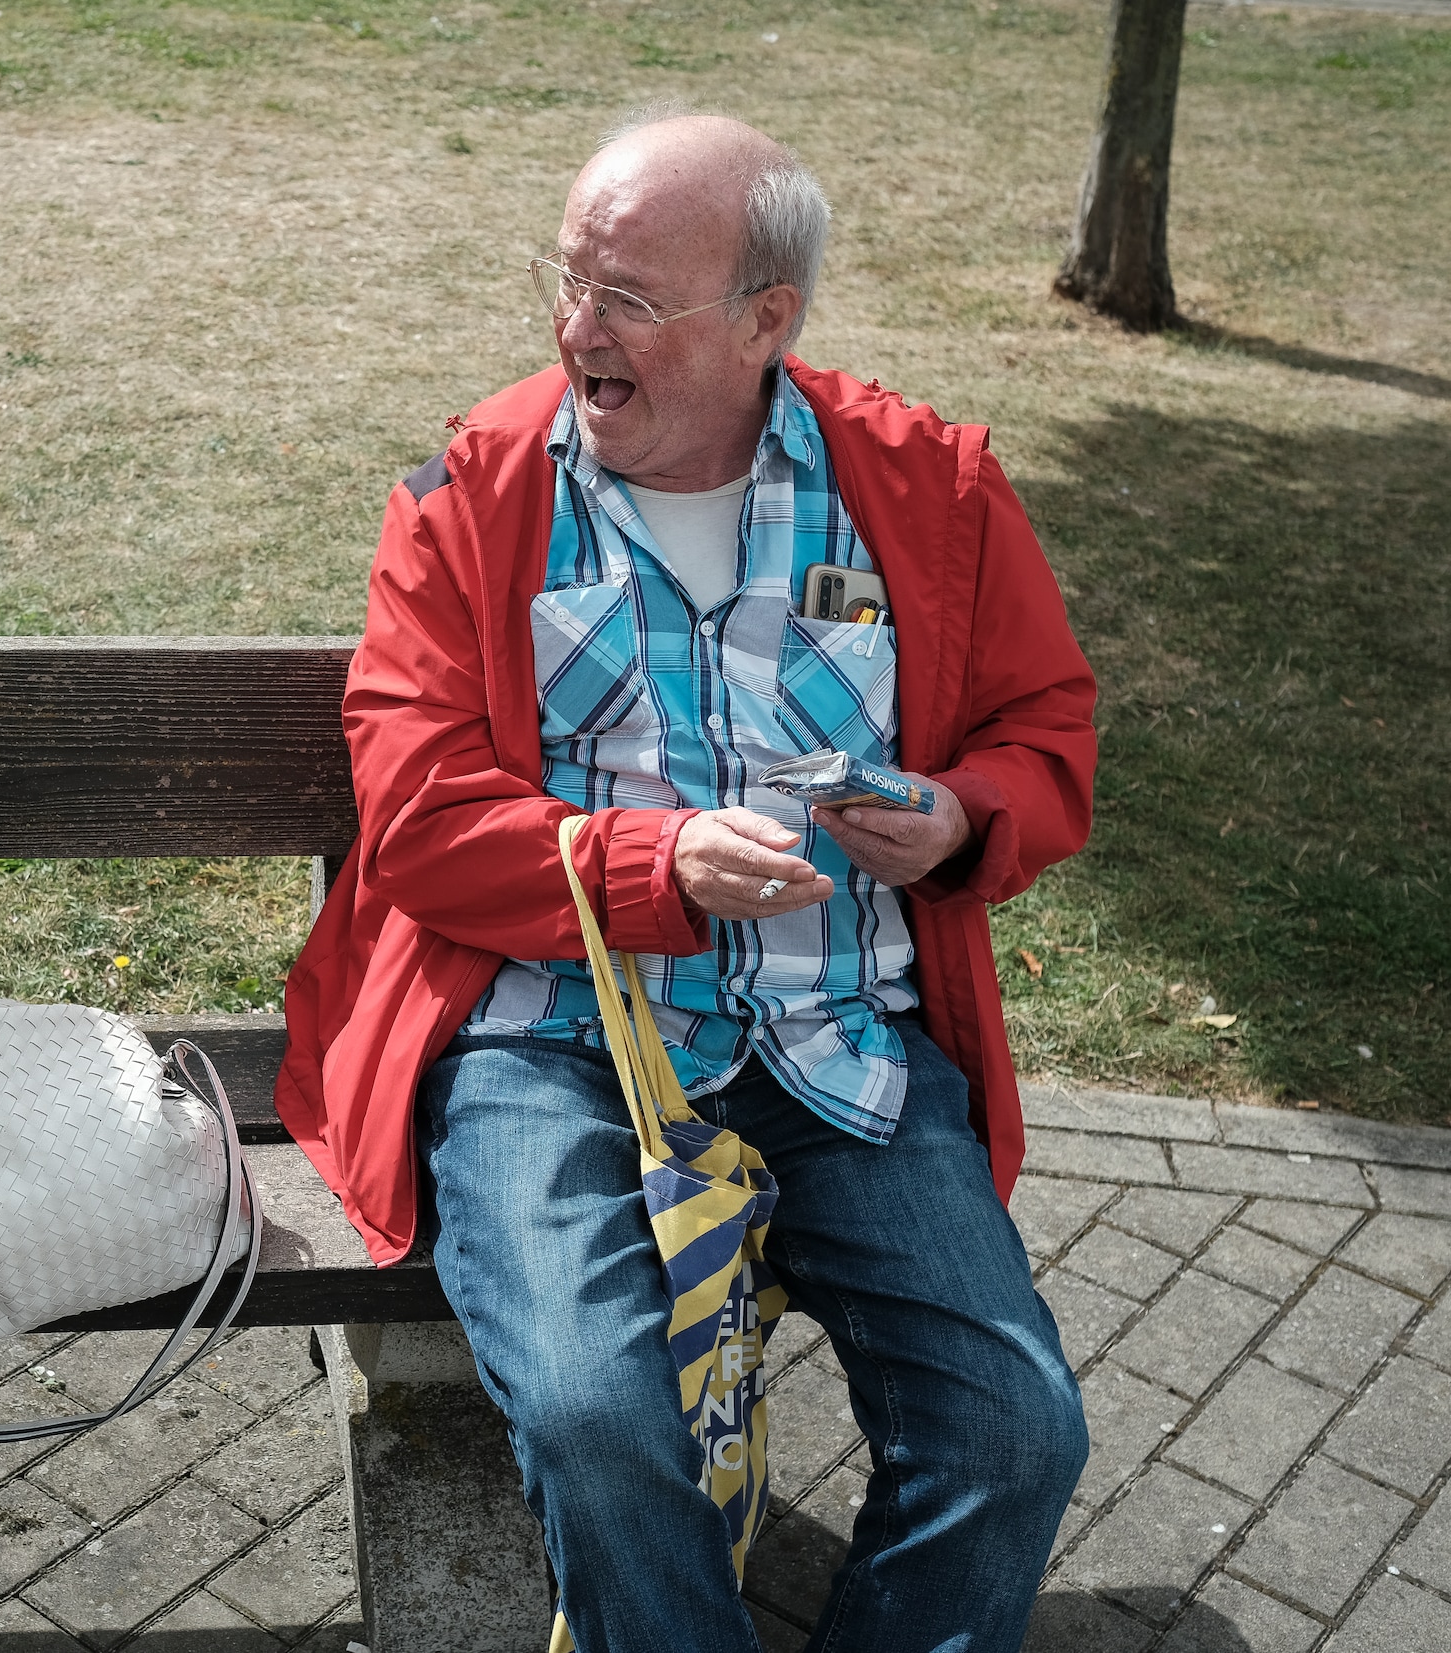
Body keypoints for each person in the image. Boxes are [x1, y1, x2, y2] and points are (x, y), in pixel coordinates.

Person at [279, 112, 1098, 1652]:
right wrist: (649, 866)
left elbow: (1045, 732)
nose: (575, 330)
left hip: (836, 1038)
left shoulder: (926, 489)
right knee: (597, 1417)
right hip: (551, 1038)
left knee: (1015, 1429)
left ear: (765, 320)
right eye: (569, 280)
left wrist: (963, 816)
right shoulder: (474, 492)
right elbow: (419, 811)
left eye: (630, 299)